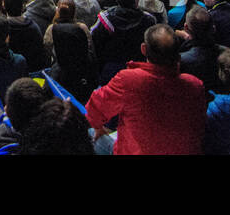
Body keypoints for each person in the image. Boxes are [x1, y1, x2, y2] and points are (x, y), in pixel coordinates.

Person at [85, 24, 206, 155]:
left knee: (90, 133)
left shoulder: (129, 80)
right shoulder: (195, 85)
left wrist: (98, 127)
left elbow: (93, 111)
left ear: (144, 49)